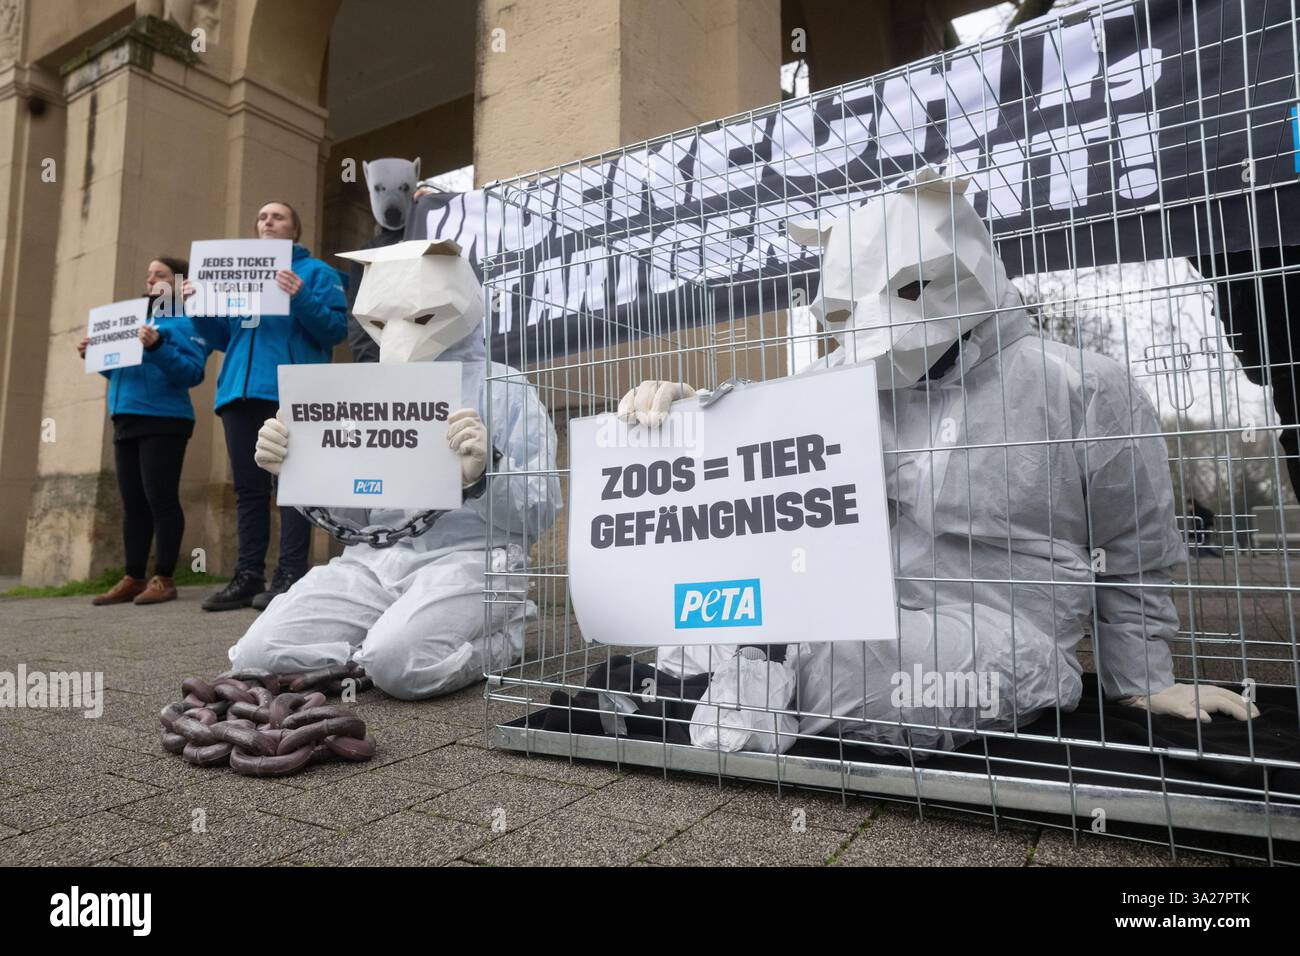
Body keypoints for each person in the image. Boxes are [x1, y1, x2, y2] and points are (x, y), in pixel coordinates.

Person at [620, 168, 1258, 753]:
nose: (873, 334)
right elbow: (761, 448)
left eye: (911, 289)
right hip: (864, 608)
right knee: (717, 629)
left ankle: (709, 698)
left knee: (865, 670)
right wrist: (691, 418)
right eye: (845, 313)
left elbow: (1131, 547)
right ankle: (732, 691)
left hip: (1005, 634)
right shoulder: (838, 381)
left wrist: (1141, 680)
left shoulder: (1081, 387)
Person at [226, 240, 561, 699]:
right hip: (374, 562)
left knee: (398, 666)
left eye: (421, 318)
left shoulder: (504, 389)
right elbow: (358, 520)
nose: (398, 338)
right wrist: (297, 468)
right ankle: (380, 640)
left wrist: (485, 475)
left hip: (473, 557)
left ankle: (504, 631)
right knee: (256, 655)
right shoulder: (364, 391)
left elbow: (538, 513)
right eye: (380, 323)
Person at [188, 201, 348, 611]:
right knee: (249, 490)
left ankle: (291, 573)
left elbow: (334, 331)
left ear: (295, 229)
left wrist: (300, 295)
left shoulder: (316, 273)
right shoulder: (239, 274)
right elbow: (223, 336)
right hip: (240, 392)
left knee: (292, 486)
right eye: (261, 217)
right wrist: (199, 305)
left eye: (277, 216)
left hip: (291, 389)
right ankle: (248, 575)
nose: (267, 221)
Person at [79, 257, 210, 606]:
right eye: (149, 274)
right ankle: (133, 577)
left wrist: (156, 346)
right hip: (126, 415)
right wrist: (96, 356)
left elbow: (191, 373)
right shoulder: (134, 318)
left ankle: (164, 579)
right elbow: (122, 372)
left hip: (165, 418)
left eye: (161, 275)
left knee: (160, 498)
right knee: (133, 502)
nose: (151, 279)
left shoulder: (187, 320)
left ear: (179, 282)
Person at [345, 158, 420, 364]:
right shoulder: (365, 254)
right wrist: (369, 361)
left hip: (427, 357)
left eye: (404, 188)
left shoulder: (430, 235)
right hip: (381, 357)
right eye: (380, 189)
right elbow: (359, 315)